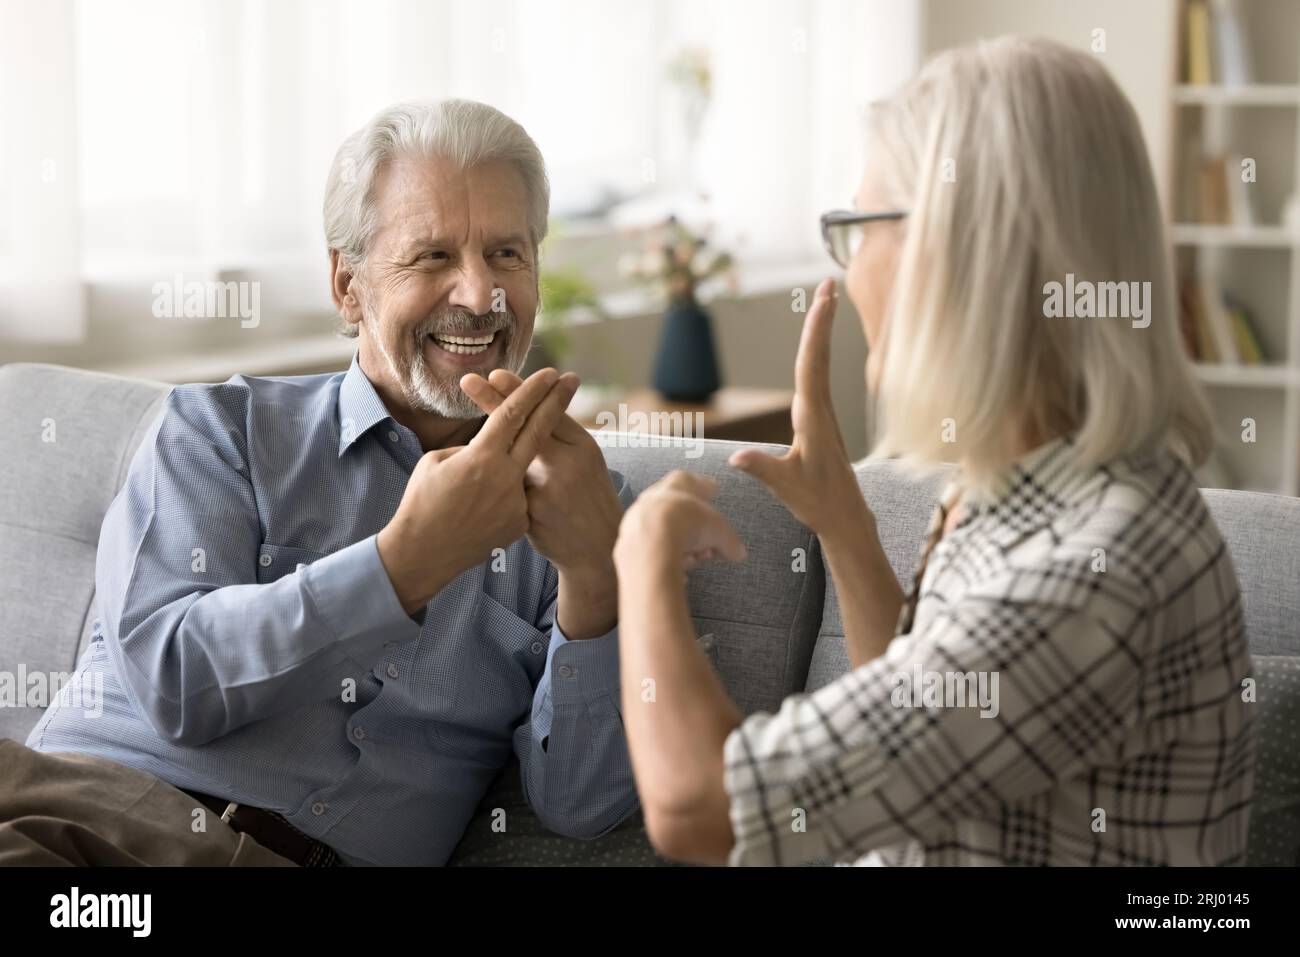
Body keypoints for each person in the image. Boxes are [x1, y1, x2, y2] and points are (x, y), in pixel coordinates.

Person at [611, 36, 1255, 866]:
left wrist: (642, 562)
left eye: (857, 226)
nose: (845, 264)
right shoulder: (1023, 488)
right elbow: (925, 736)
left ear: (960, 250)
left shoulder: (1093, 574)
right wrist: (844, 524)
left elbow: (705, 810)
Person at [3, 100, 637, 867]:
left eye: (507, 253)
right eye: (432, 256)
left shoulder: (590, 508)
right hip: (79, 812)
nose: (479, 295)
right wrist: (402, 566)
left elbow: (583, 806)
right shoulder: (221, 431)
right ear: (348, 286)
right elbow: (175, 685)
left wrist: (595, 575)